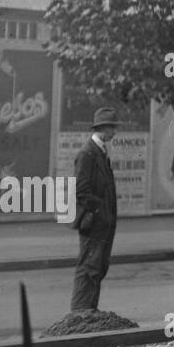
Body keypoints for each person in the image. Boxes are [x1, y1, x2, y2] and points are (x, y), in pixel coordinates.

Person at [69, 107, 120, 312]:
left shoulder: (99, 151)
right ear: (103, 128)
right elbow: (81, 190)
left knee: (98, 267)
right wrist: (100, 211)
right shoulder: (87, 154)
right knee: (89, 267)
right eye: (112, 128)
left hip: (102, 222)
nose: (114, 132)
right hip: (94, 222)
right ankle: (81, 313)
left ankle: (90, 311)